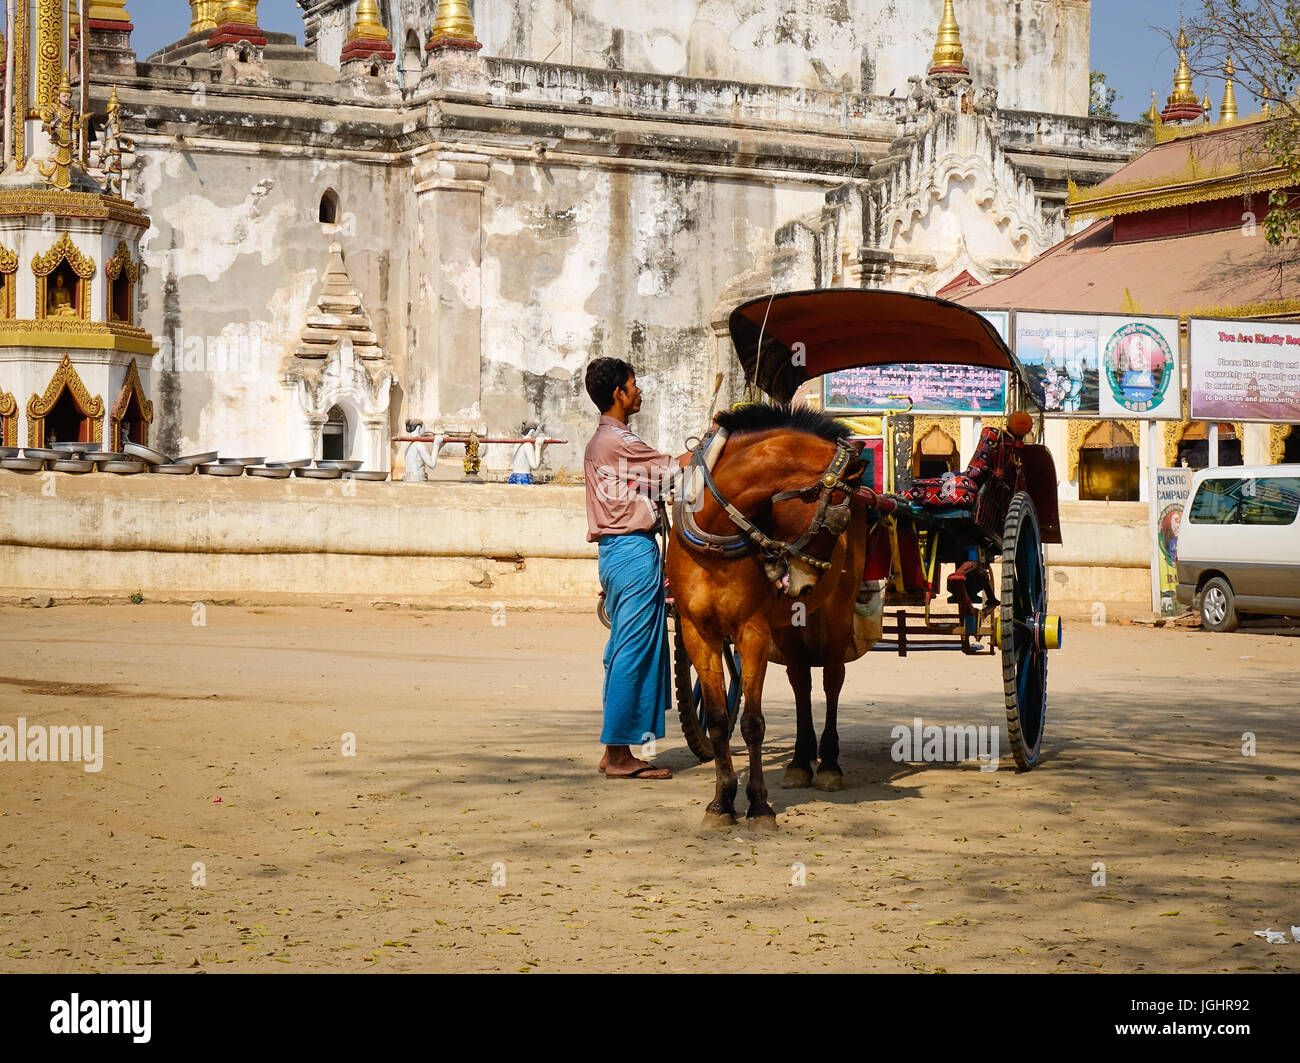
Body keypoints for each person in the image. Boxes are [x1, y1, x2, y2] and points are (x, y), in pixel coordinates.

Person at [583, 358, 688, 780]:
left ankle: (617, 748)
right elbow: (670, 469)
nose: (639, 390)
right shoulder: (616, 441)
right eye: (634, 384)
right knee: (632, 649)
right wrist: (712, 442)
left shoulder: (608, 442)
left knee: (623, 649)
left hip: (618, 552)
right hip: (632, 552)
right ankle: (621, 756)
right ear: (618, 395)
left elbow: (656, 482)